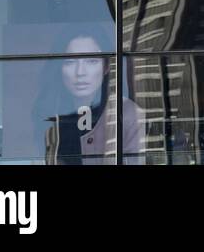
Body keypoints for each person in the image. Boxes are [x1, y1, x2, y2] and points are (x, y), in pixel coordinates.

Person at [37, 32, 143, 164]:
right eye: (70, 61)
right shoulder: (51, 114)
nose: (80, 72)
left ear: (106, 67)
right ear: (60, 67)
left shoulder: (127, 113)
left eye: (91, 61)